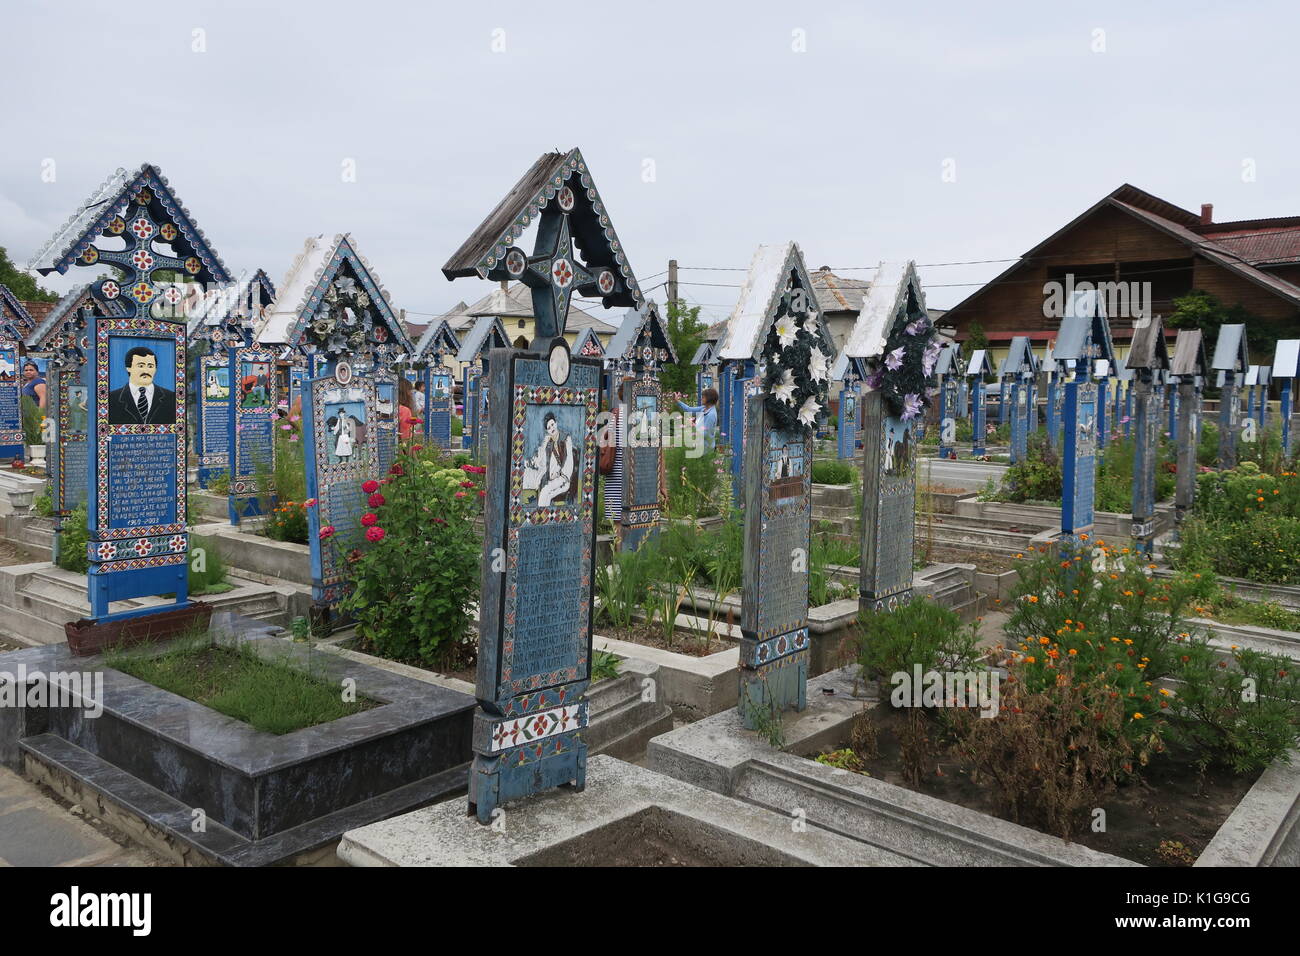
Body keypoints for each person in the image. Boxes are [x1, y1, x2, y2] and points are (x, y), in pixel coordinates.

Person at [108, 346, 175, 425]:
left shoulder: (172, 398)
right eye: (141, 366)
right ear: (128, 368)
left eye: (150, 366)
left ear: (155, 369)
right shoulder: (110, 399)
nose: (146, 371)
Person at [523, 411, 577, 506]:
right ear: (547, 431)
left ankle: (541, 513)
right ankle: (542, 512)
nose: (552, 428)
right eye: (549, 428)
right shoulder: (549, 442)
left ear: (556, 423)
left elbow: (569, 461)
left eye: (552, 424)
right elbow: (541, 460)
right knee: (543, 492)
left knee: (545, 492)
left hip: (563, 479)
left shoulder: (566, 438)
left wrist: (562, 476)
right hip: (551, 479)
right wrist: (544, 443)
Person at [398, 377, 419, 441]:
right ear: (405, 392)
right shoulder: (404, 410)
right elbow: (405, 437)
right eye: (409, 390)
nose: (411, 393)